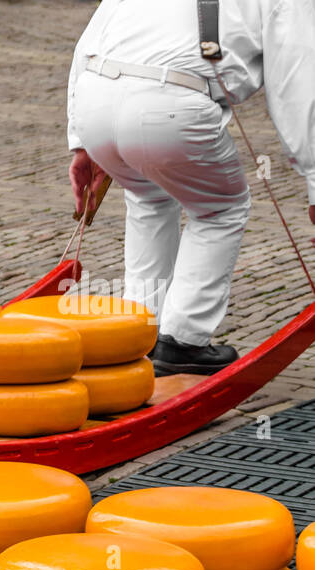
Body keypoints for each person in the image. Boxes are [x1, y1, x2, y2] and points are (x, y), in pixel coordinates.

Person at [66, 0, 315, 375]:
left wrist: (82, 141)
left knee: (147, 195)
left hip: (94, 96)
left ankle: (141, 331)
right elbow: (298, 83)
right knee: (220, 208)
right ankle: (183, 341)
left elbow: (87, 42)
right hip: (169, 104)